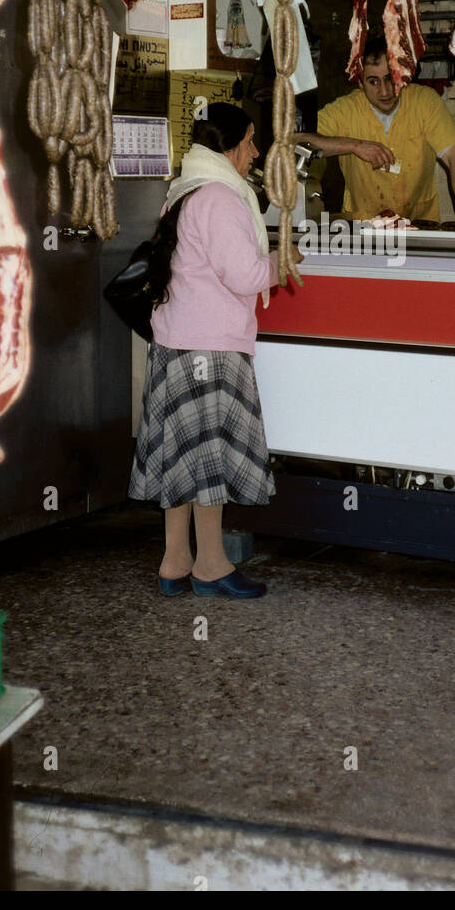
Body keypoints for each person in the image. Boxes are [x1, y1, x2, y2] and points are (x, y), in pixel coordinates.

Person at [128, 103, 303, 600]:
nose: (253, 152)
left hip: (175, 344)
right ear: (228, 147)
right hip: (210, 350)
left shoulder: (182, 192)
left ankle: (173, 559)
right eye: (249, 141)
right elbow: (245, 276)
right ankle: (209, 564)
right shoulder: (223, 199)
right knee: (207, 459)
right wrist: (282, 260)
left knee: (180, 457)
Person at [293, 37, 455, 224]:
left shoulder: (426, 102)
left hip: (419, 229)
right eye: (373, 81)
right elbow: (294, 141)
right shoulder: (345, 110)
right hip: (363, 230)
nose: (384, 91)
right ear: (360, 83)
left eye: (390, 78)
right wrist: (354, 146)